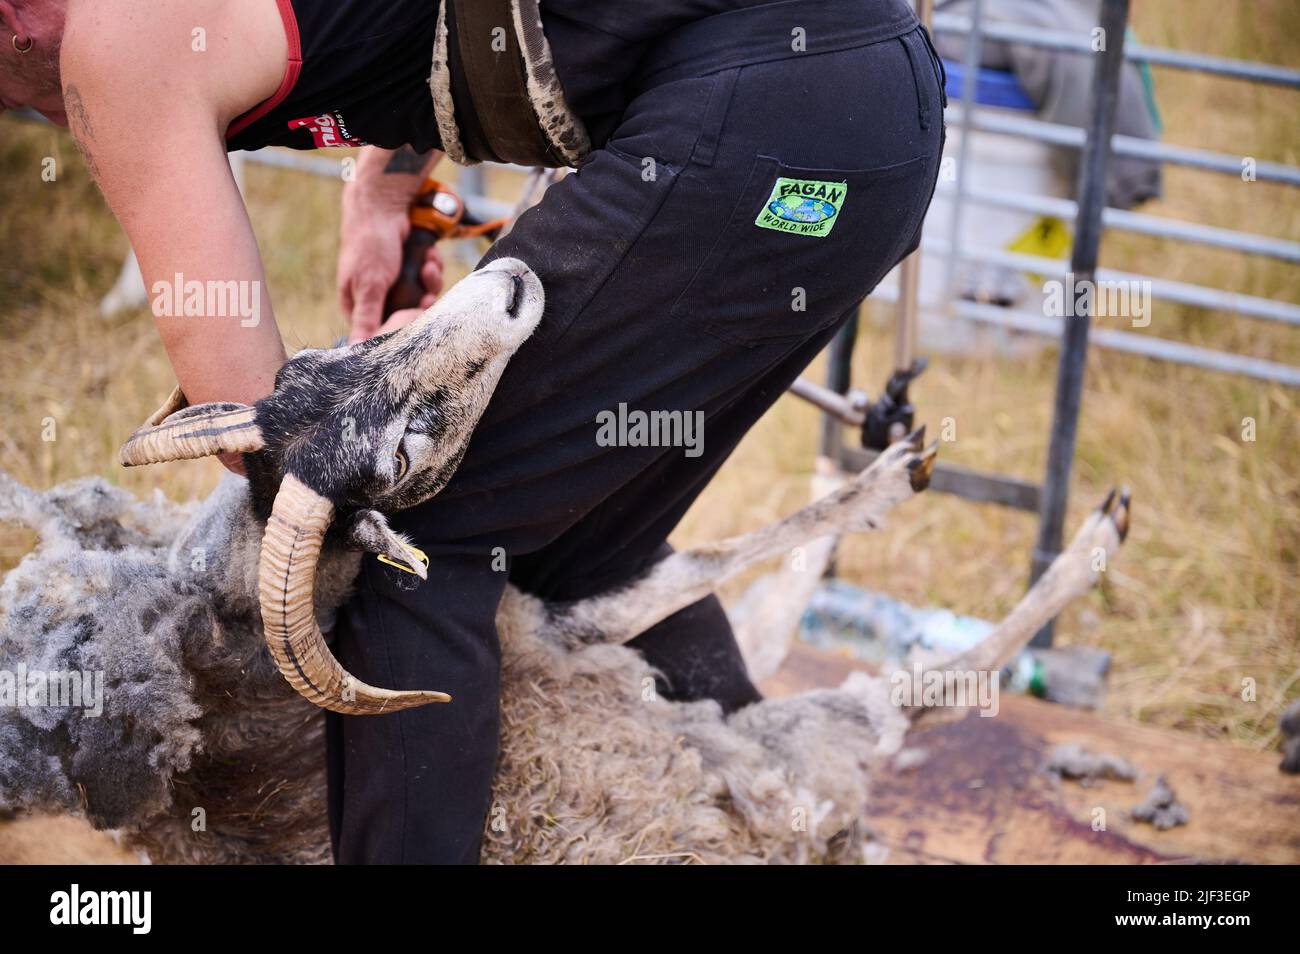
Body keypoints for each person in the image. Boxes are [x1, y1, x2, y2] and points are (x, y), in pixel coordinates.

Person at [1, 0, 945, 862]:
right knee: (585, 535)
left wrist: (379, 401)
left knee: (403, 539)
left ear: (14, 22)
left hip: (751, 119)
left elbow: (267, 445)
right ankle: (775, 833)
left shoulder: (110, 46)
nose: (37, 121)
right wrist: (384, 184)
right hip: (878, 112)